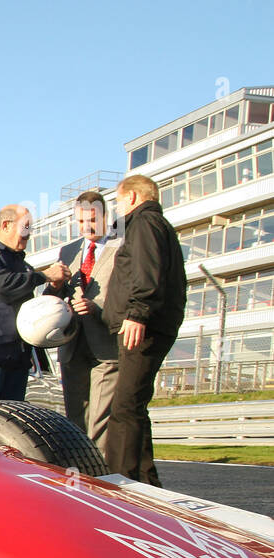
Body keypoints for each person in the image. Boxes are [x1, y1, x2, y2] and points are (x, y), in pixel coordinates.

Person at [102, 175, 186, 486]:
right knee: (134, 406)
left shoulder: (143, 223)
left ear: (134, 197)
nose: (118, 208)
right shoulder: (154, 224)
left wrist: (137, 313)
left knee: (124, 408)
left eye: (119, 201)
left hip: (143, 325)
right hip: (149, 323)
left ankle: (119, 482)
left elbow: (146, 271)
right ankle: (147, 481)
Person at [0, 206, 70, 401]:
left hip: (19, 358)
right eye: (26, 228)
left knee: (11, 425)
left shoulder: (25, 266)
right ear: (5, 225)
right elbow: (0, 285)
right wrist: (45, 275)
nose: (29, 235)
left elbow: (34, 310)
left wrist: (54, 287)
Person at [43, 191, 121, 456]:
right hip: (73, 343)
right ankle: (80, 474)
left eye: (92, 220)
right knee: (75, 419)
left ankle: (99, 478)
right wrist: (54, 285)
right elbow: (52, 298)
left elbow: (128, 294)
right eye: (80, 222)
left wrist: (97, 308)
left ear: (105, 216)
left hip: (106, 344)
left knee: (100, 420)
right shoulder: (69, 251)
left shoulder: (122, 247)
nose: (87, 227)